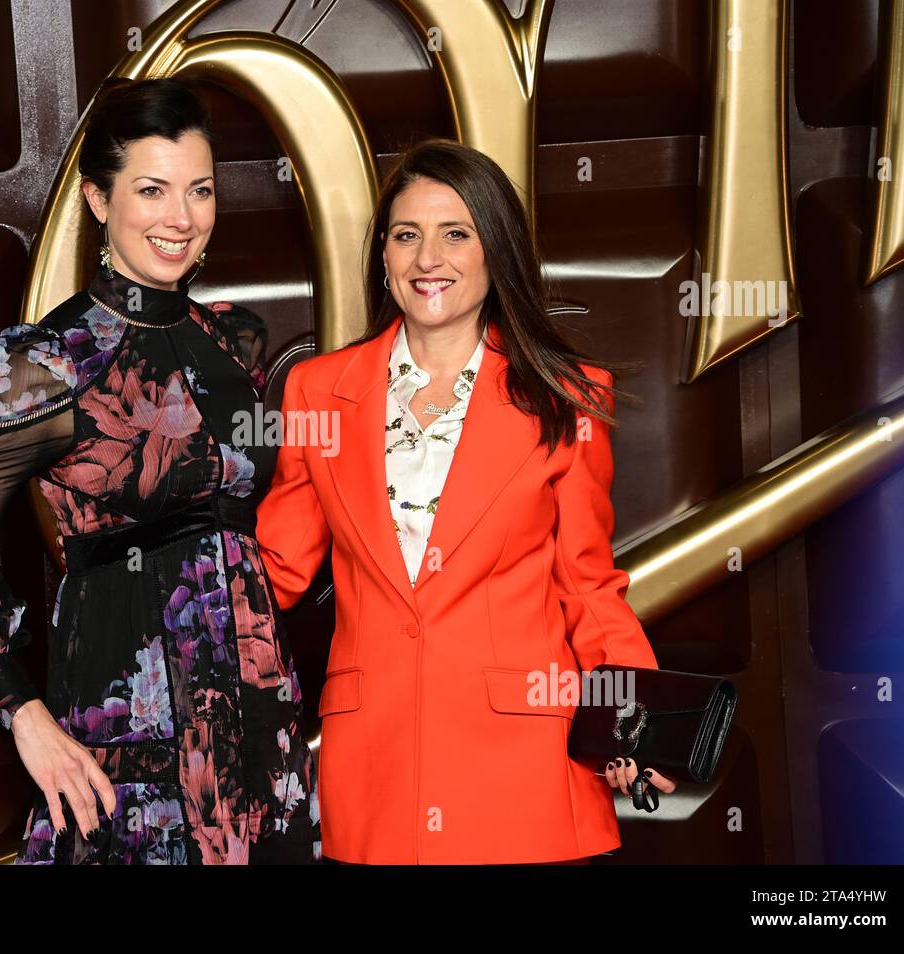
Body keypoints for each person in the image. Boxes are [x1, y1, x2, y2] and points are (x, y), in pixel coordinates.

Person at [0, 78, 319, 865]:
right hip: (132, 720)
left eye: (200, 190)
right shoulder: (50, 363)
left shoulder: (236, 343)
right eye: (152, 190)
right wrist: (25, 715)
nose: (181, 217)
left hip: (258, 715)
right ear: (98, 199)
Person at [254, 138, 675, 865]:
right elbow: (274, 572)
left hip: (525, 761)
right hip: (374, 768)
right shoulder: (316, 393)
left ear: (495, 251)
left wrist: (640, 720)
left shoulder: (567, 396)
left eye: (456, 234)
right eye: (406, 235)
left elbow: (588, 587)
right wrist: (142, 586)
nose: (428, 259)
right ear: (383, 254)